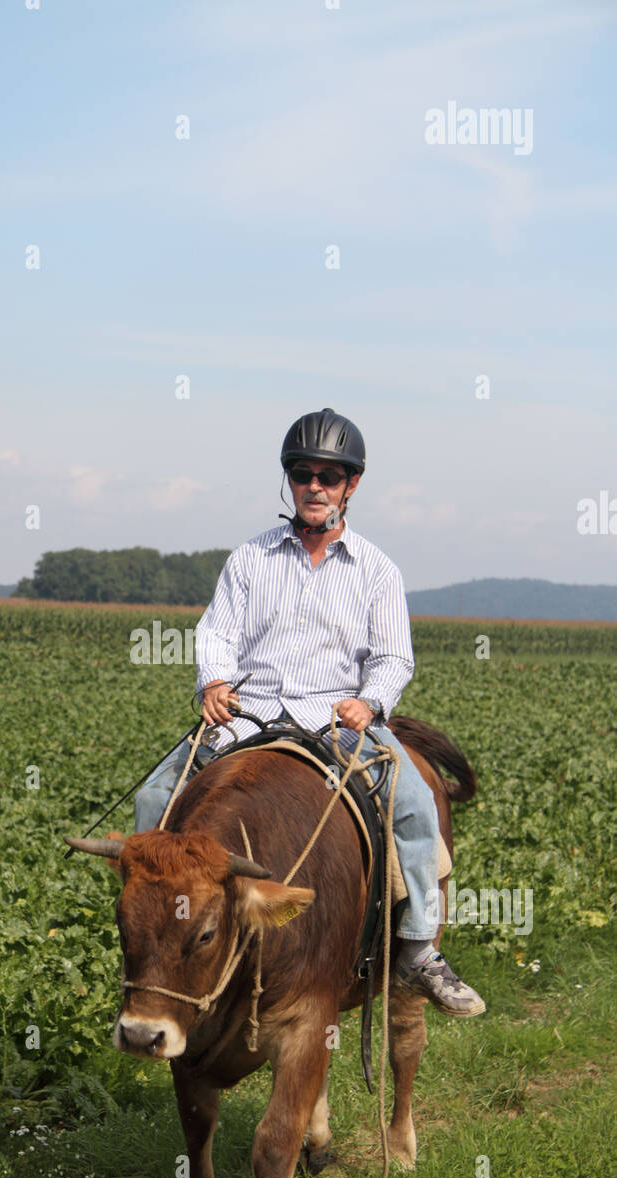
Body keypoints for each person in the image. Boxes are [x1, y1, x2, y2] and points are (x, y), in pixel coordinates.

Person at [134, 408, 484, 1017]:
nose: (315, 485)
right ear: (289, 481)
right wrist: (212, 681)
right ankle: (154, 936)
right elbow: (216, 632)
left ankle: (419, 947)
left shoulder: (377, 570)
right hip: (248, 714)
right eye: (303, 473)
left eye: (329, 474)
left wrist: (370, 701)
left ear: (352, 484)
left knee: (416, 806)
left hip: (338, 720)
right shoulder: (250, 559)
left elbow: (395, 657)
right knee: (151, 798)